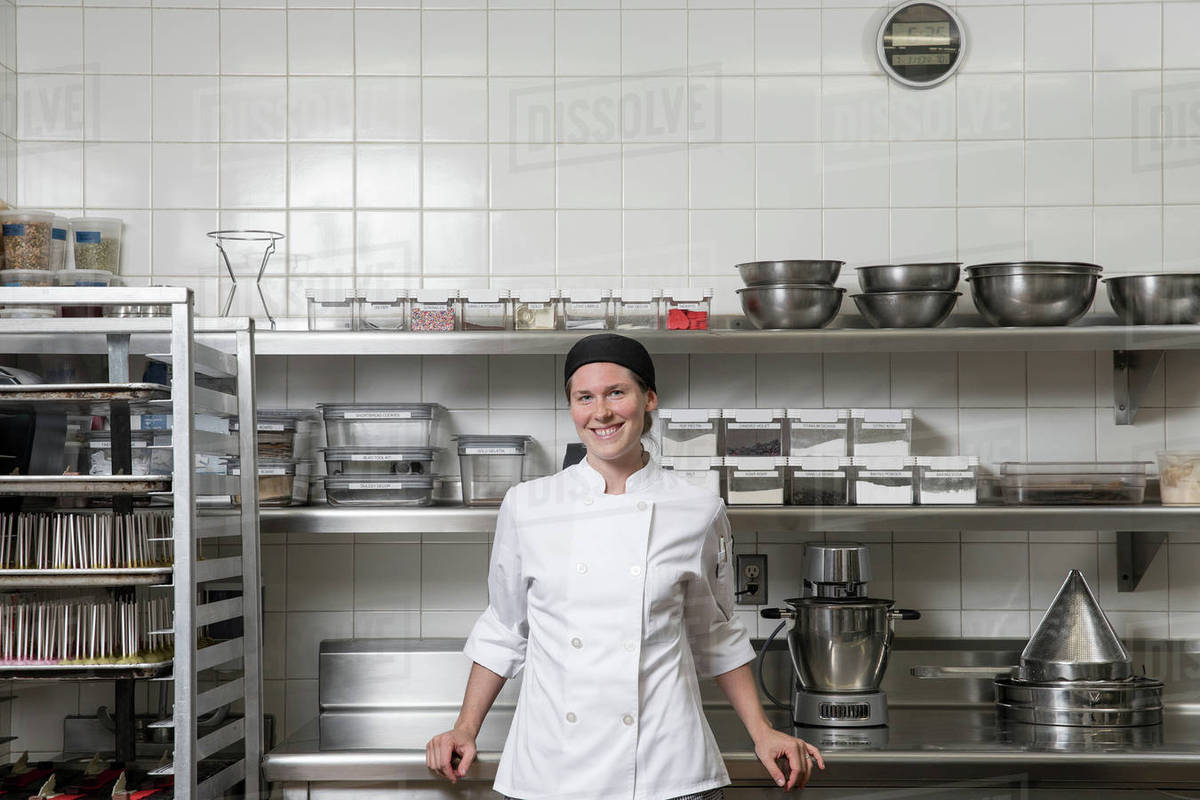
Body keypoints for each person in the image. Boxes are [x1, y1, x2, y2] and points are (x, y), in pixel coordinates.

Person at [426, 333, 824, 799]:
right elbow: (504, 627)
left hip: (665, 768)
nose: (601, 412)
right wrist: (465, 728)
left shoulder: (697, 509)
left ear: (648, 398)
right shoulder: (527, 505)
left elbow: (714, 633)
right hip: (551, 769)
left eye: (616, 393)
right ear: (571, 407)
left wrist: (762, 732)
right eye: (585, 397)